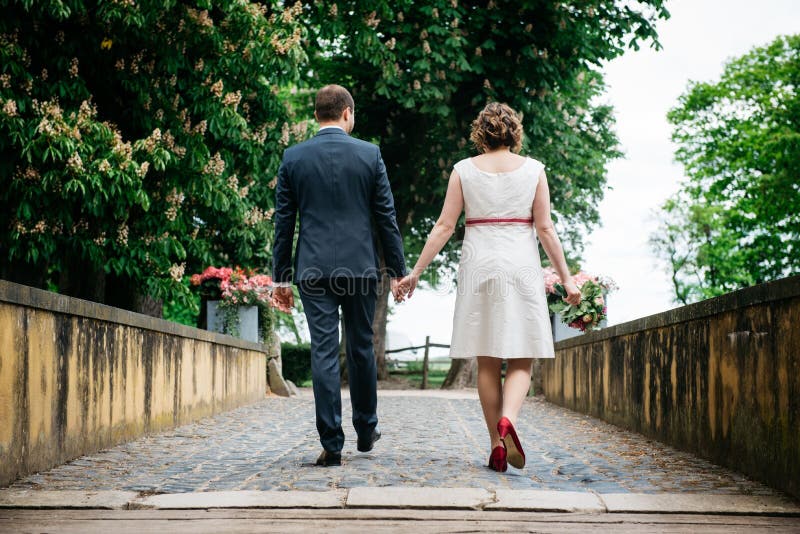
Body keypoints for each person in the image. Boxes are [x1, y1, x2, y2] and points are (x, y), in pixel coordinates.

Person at [396, 102, 581, 472]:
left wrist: (415, 270)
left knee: (486, 358)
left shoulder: (463, 170)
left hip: (479, 261)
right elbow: (545, 229)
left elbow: (445, 227)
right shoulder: (534, 170)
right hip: (520, 262)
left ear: (480, 132)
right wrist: (566, 278)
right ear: (515, 131)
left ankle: (496, 444)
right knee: (522, 355)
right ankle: (508, 418)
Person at [271, 84, 407, 467]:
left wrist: (281, 278)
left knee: (324, 351)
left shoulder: (293, 157)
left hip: (312, 269)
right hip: (360, 268)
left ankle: (332, 442)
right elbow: (386, 217)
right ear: (347, 113)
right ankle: (366, 431)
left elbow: (285, 222)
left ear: (318, 115)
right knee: (361, 347)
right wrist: (397, 271)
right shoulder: (369, 154)